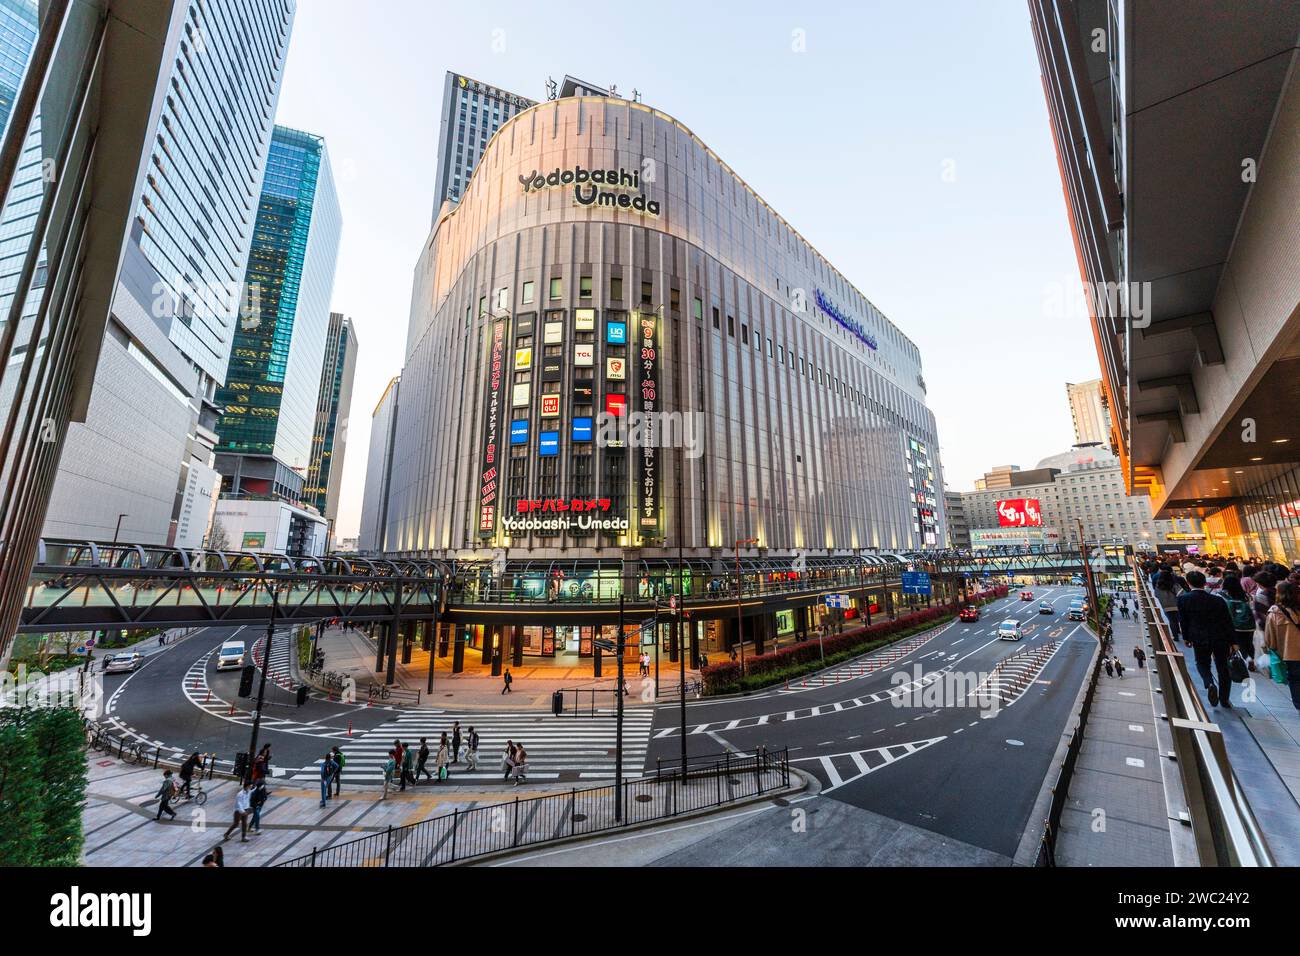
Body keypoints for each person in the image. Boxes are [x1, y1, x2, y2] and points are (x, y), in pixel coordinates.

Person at [1176, 570, 1236, 708]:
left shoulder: (1183, 599)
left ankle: (1209, 683)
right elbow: (1227, 621)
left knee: (1202, 663)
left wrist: (1186, 637)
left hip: (1198, 637)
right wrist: (1233, 641)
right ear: (1204, 583)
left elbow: (1183, 621)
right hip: (1220, 637)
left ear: (1188, 583)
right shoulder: (1217, 600)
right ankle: (1224, 699)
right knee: (1223, 668)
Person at [1264, 581, 1300, 712]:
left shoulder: (1275, 612)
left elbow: (1270, 638)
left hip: (1290, 653)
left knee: (1295, 679)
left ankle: (1298, 705)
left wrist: (1270, 650)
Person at [1219, 574, 1258, 670]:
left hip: (1235, 625)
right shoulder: (1246, 595)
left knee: (1239, 643)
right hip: (1249, 624)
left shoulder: (1223, 596)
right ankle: (1251, 658)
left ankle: (1247, 658)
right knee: (1249, 643)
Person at [1152, 570, 1186, 642]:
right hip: (1177, 605)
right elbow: (1181, 594)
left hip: (1166, 606)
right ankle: (1183, 634)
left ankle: (1175, 636)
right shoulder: (1174, 584)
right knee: (1181, 619)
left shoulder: (1158, 585)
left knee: (1172, 621)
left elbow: (1156, 595)